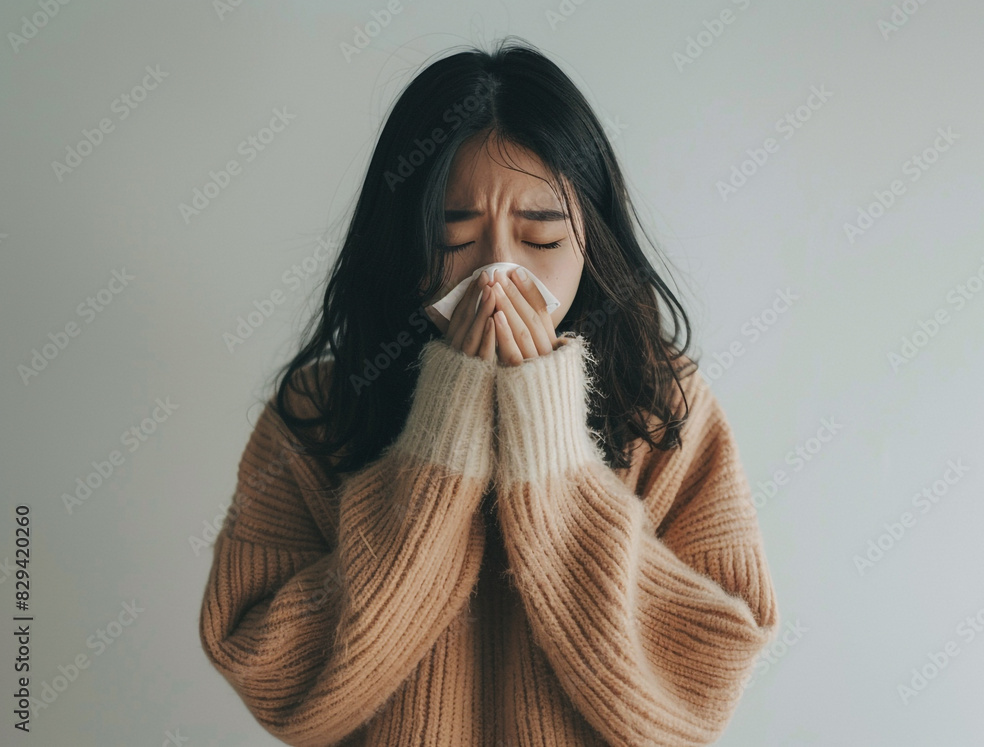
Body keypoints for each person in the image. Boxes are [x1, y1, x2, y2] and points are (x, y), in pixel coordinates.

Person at [198, 36, 780, 746]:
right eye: (455, 236)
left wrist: (553, 456)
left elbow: (704, 681)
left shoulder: (665, 408)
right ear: (403, 243)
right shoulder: (321, 412)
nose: (499, 271)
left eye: (540, 238)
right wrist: (441, 440)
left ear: (592, 241)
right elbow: (278, 678)